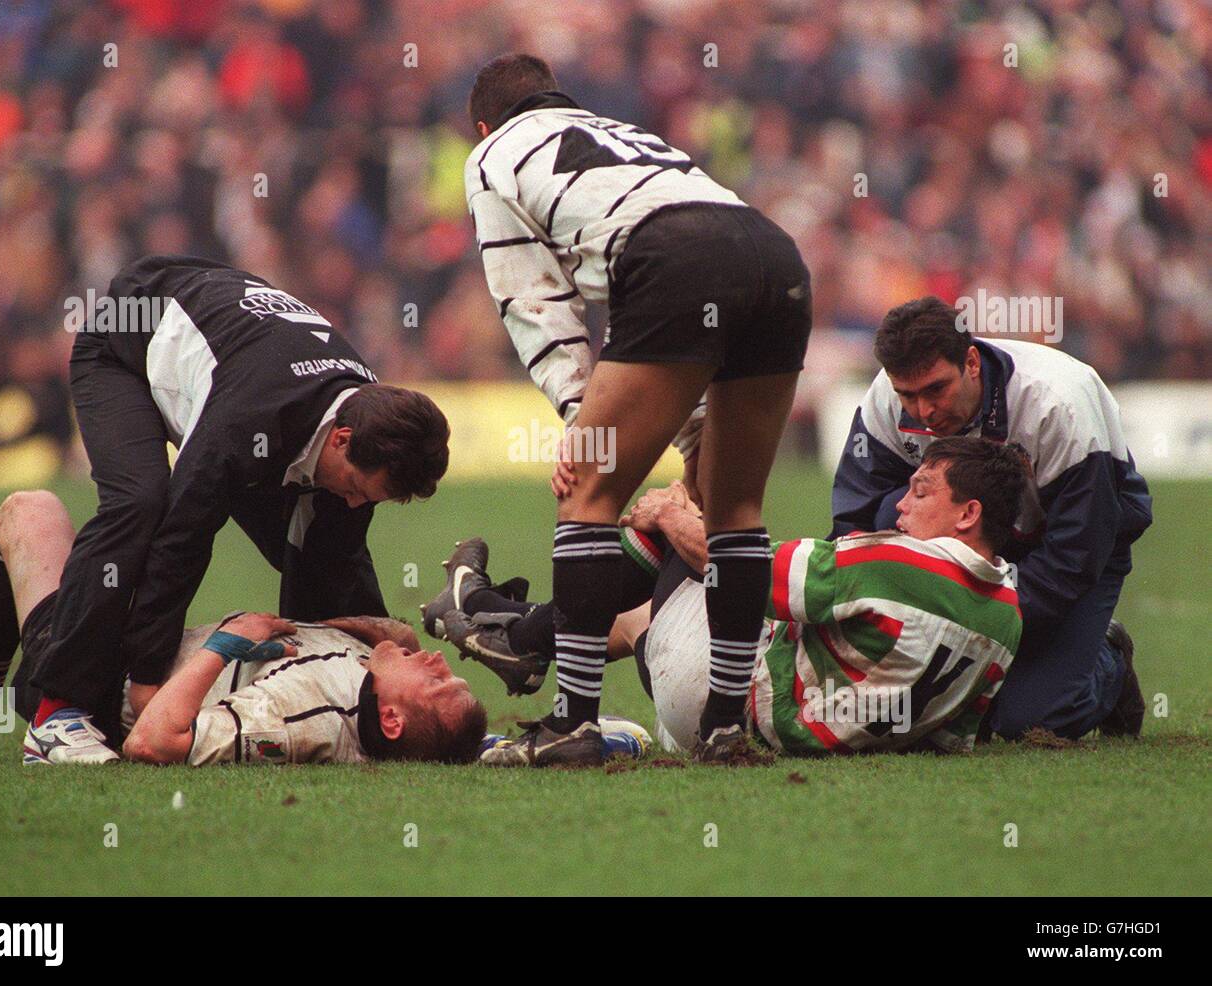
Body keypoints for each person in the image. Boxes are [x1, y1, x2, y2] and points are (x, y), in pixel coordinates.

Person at [0, 255, 451, 765]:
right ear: (340, 440)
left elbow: (338, 557)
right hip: (122, 342)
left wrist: (380, 667)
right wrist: (150, 678)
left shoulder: (363, 423)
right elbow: (181, 539)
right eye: (359, 486)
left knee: (324, 540)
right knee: (142, 502)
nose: (358, 502)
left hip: (227, 349)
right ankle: (58, 711)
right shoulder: (252, 419)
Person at [462, 53, 812, 763]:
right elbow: (676, 343)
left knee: (589, 491)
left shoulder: (492, 154)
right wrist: (689, 436)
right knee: (732, 507)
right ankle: (723, 730)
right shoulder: (622, 133)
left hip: (676, 256)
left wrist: (577, 417)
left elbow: (533, 300)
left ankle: (573, 727)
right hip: (775, 256)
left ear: (480, 125)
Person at [428, 437, 1028, 759]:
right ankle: (504, 624)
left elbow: (747, 572)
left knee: (691, 520)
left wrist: (669, 510)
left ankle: (515, 638)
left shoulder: (907, 562)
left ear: (968, 513)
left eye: (920, 492)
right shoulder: (1008, 610)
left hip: (727, 710)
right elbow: (953, 738)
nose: (899, 506)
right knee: (642, 617)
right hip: (783, 724)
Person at [0, 490, 486, 767]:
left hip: (90, 673)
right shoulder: (369, 682)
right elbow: (402, 646)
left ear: (389, 720)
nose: (439, 662)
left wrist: (226, 644)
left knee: (30, 510)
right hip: (133, 638)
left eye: (437, 683)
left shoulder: (299, 716)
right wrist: (393, 643)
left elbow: (155, 740)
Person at [829, 297, 1150, 740]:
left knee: (1032, 720)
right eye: (908, 395)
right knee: (889, 512)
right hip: (974, 540)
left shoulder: (1056, 404)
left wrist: (979, 619)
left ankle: (1108, 658)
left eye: (936, 389)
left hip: (1077, 543)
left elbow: (1076, 554)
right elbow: (856, 520)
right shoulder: (886, 398)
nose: (922, 410)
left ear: (972, 363)